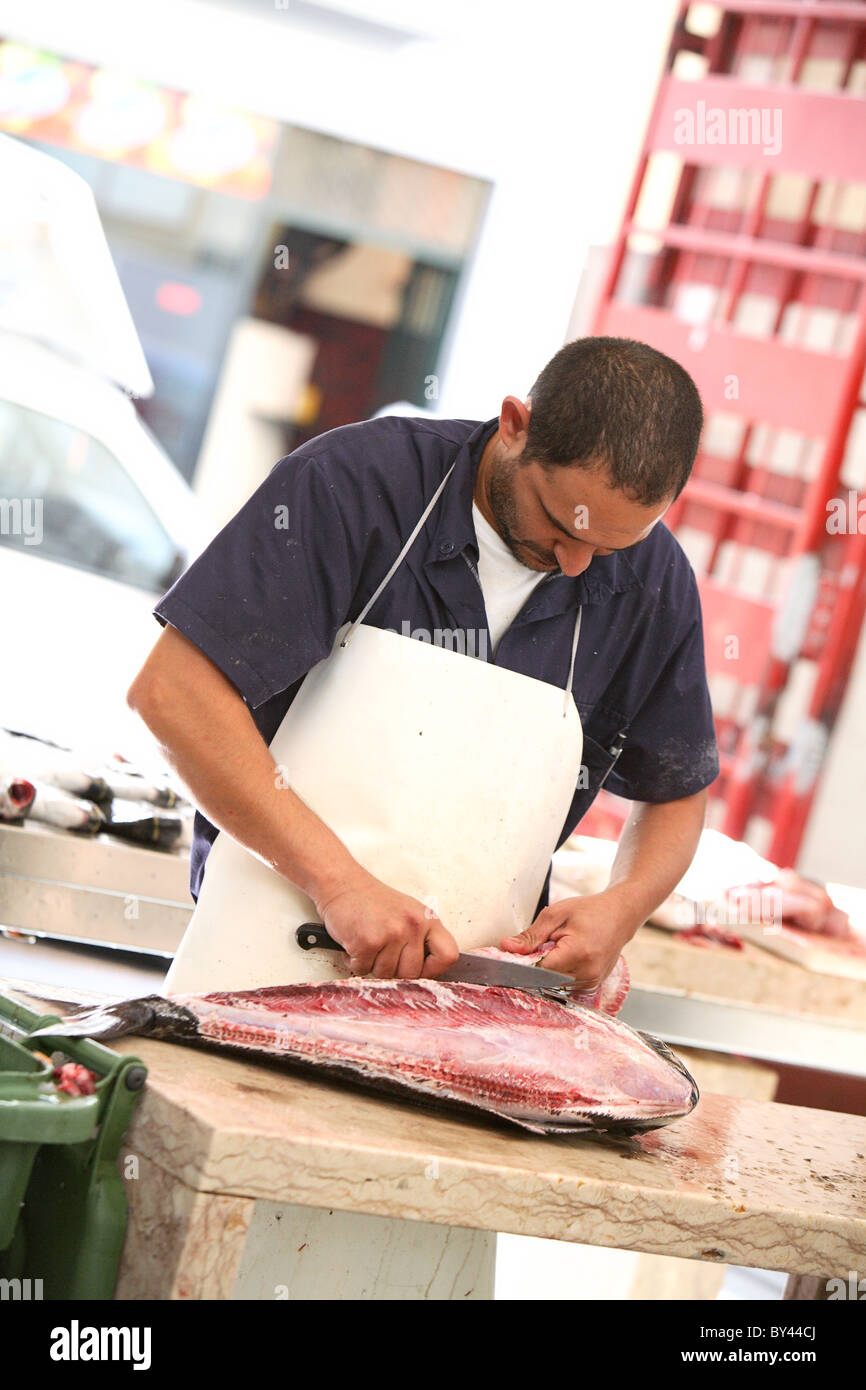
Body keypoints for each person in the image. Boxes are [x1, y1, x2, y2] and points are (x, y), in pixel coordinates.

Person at [128, 336, 718, 990]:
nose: (578, 564)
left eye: (611, 545)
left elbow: (677, 794)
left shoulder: (656, 583)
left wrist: (622, 907)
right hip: (268, 946)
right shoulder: (350, 485)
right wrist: (341, 886)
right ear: (516, 426)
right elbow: (172, 695)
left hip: (474, 995)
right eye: (561, 525)